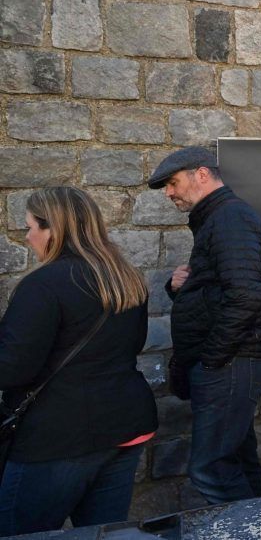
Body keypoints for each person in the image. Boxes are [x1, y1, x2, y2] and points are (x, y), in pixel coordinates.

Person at [0, 188, 157, 535]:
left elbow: (12, 368)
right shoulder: (126, 277)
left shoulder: (42, 285)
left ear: (52, 229)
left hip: (58, 437)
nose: (26, 237)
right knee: (103, 533)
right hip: (124, 426)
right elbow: (133, 345)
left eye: (30, 227)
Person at [149, 146, 261, 504]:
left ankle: (246, 528)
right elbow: (223, 290)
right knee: (236, 460)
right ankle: (260, 524)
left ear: (202, 174)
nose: (169, 193)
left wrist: (212, 359)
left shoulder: (230, 218)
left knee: (211, 468)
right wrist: (181, 287)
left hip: (232, 361)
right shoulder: (218, 218)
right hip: (231, 360)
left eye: (173, 183)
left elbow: (246, 296)